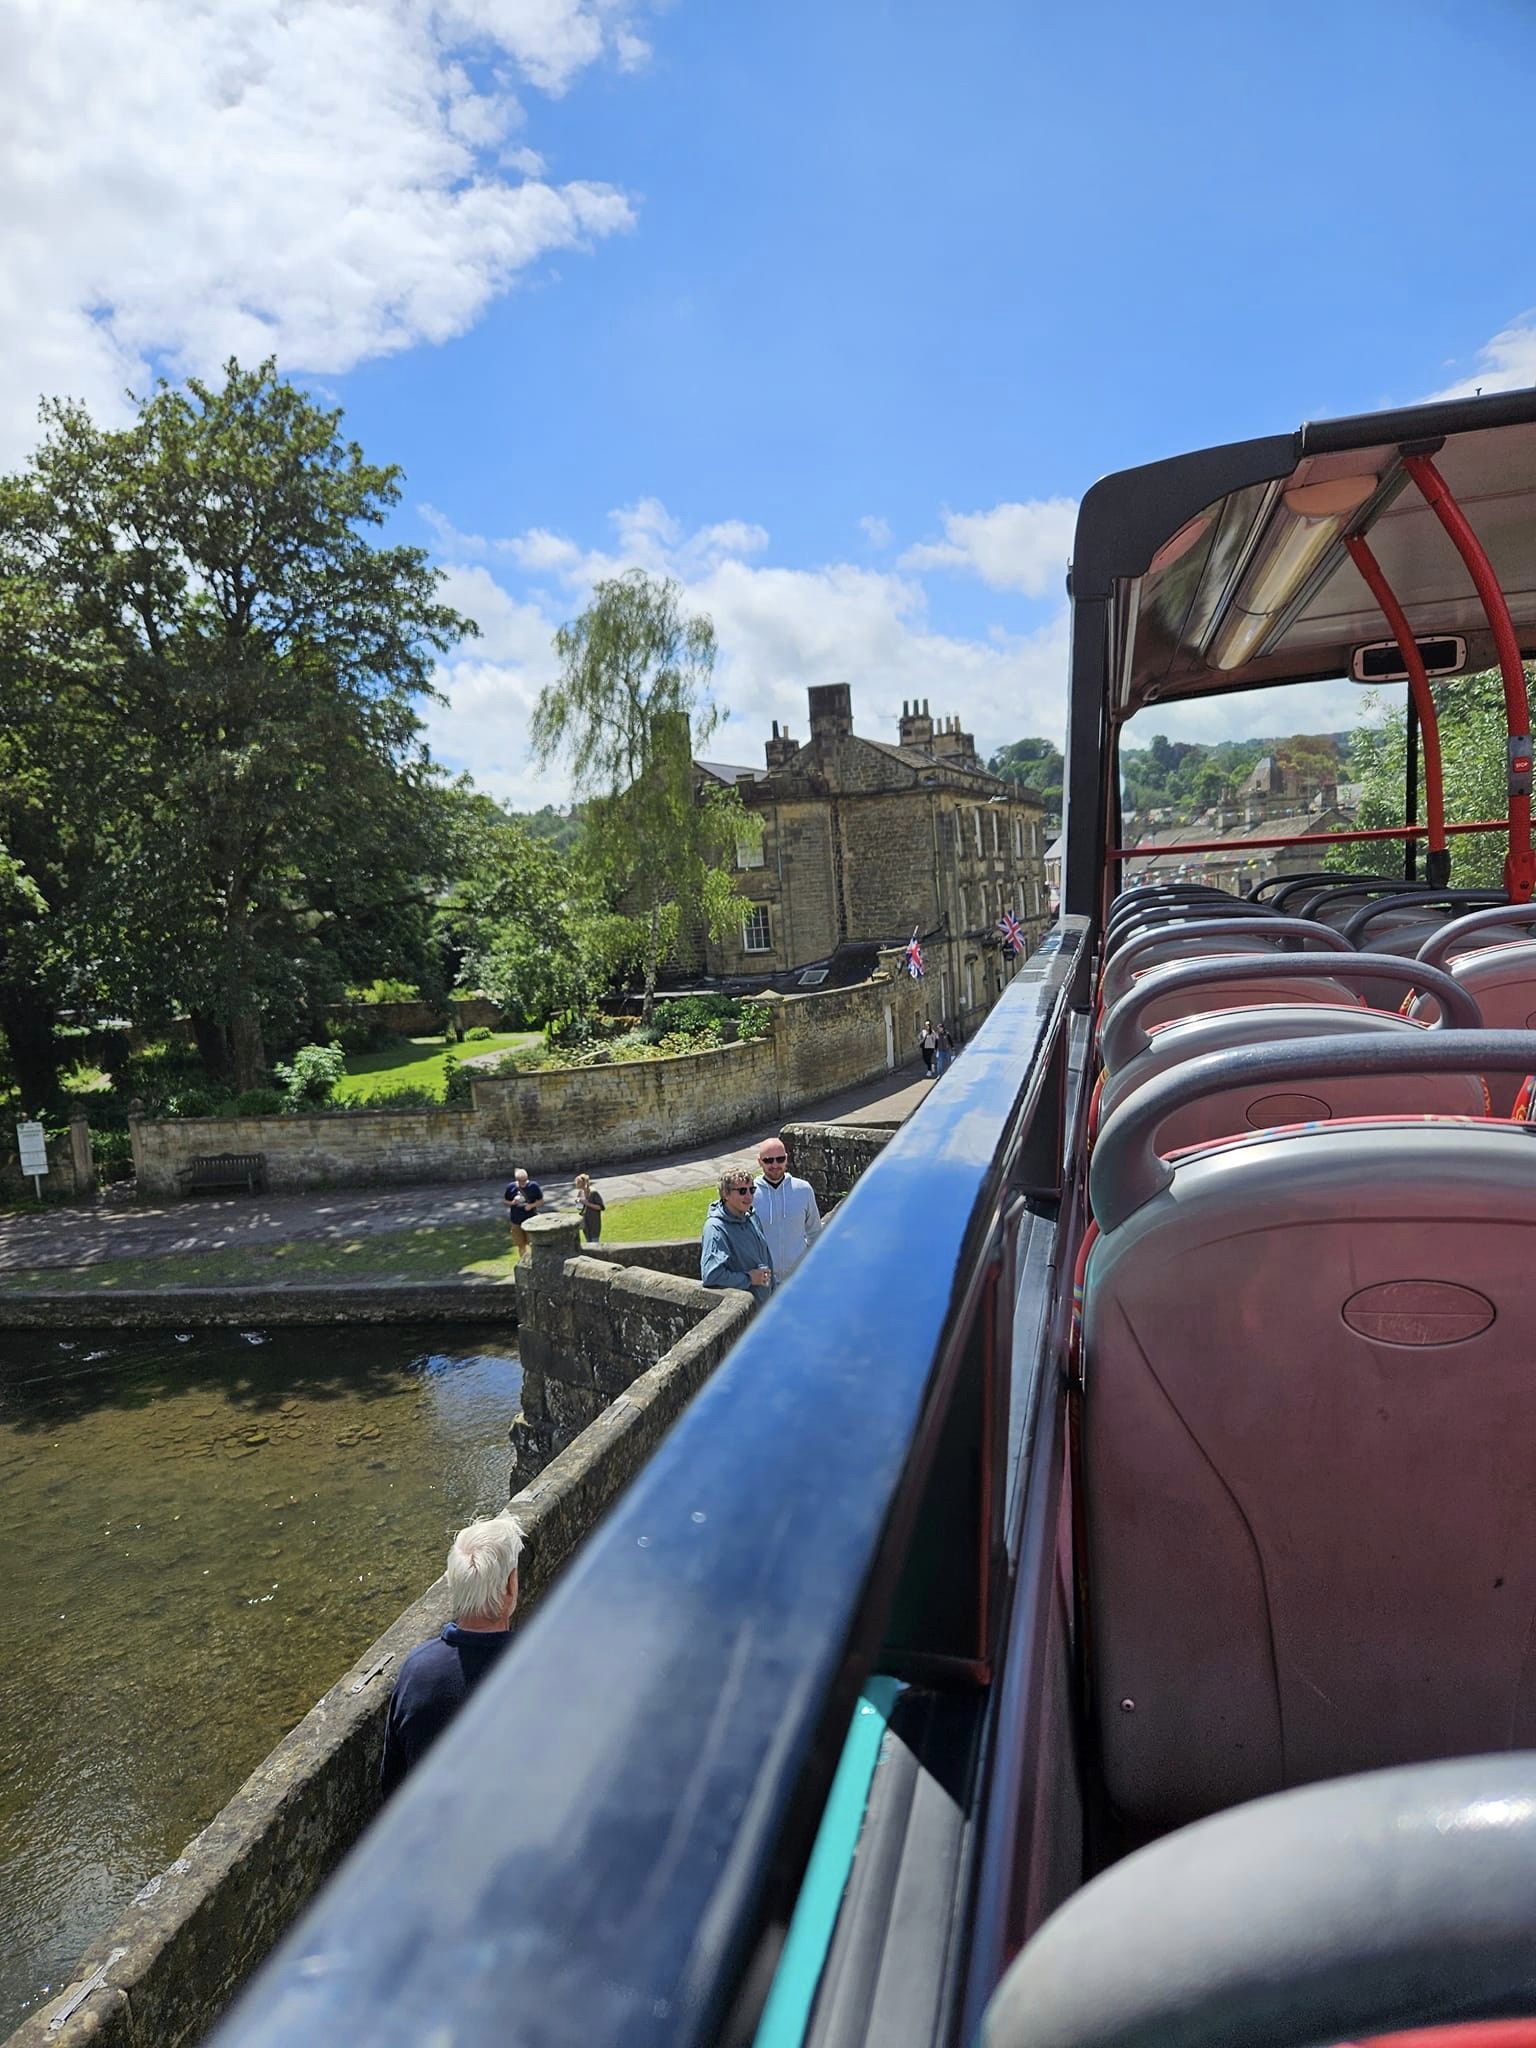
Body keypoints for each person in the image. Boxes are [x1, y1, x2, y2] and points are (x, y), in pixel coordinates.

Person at [379, 1512, 525, 1798]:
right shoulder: (542, 1662)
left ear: (454, 1584)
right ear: (510, 1586)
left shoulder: (417, 1672)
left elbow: (392, 1783)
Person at [700, 1165, 774, 1306]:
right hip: (747, 1314)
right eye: (742, 1191)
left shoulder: (751, 1217)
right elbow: (712, 1275)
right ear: (726, 1194)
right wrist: (748, 1278)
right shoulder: (715, 1228)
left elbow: (766, 1259)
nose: (748, 1196)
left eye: (751, 1190)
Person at [752, 1136, 821, 1284]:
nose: (775, 1164)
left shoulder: (803, 1189)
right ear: (759, 1162)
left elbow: (815, 1232)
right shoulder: (750, 1194)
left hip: (799, 1279)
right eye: (768, 1160)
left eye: (780, 1159)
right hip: (764, 1282)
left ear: (786, 1159)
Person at [504, 1166, 543, 1254]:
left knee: (533, 1243)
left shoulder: (534, 1186)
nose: (523, 1183)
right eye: (520, 1181)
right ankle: (523, 1262)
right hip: (516, 1220)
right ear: (516, 1180)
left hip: (531, 1219)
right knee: (520, 1244)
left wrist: (531, 1205)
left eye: (524, 1180)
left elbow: (541, 1201)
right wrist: (513, 1203)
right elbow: (505, 1202)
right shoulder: (511, 1187)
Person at [573, 1171, 605, 1244]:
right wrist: (578, 1202)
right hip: (585, 1221)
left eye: (578, 1182)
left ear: (583, 1183)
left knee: (594, 1242)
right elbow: (580, 1207)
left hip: (593, 1221)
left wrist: (587, 1203)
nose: (576, 1184)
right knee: (588, 1241)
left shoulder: (593, 1192)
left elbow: (600, 1207)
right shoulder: (581, 1192)